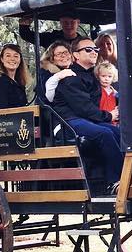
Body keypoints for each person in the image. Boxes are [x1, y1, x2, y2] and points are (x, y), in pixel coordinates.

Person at [51, 38, 123, 190]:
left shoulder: (93, 76)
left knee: (119, 132)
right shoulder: (71, 77)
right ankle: (115, 181)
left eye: (96, 50)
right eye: (88, 50)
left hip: (87, 120)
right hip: (68, 122)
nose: (94, 52)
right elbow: (84, 108)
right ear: (76, 55)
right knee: (105, 133)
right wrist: (109, 116)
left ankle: (128, 176)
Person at [0, 43, 30, 109]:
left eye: (16, 56)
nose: (12, 59)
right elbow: (0, 110)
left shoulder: (20, 84)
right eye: (8, 56)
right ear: (2, 59)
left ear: (20, 60)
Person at [19, 13, 83, 48]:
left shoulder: (83, 42)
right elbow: (27, 35)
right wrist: (24, 25)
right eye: (65, 22)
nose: (69, 25)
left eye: (72, 22)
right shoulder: (51, 38)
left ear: (78, 23)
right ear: (60, 22)